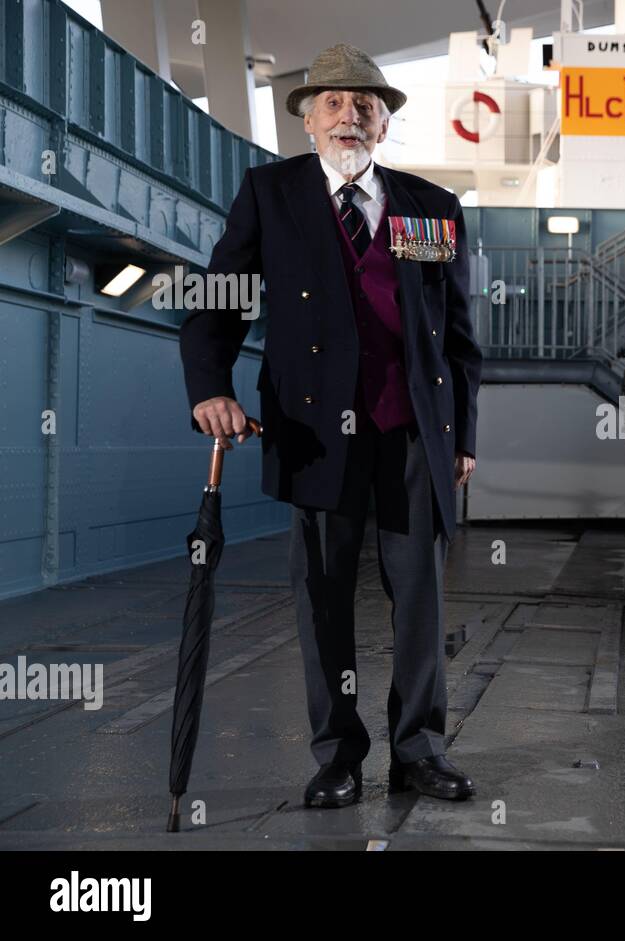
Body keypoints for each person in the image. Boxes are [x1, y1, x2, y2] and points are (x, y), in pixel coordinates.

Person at [179, 43, 482, 808]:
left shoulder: (427, 209)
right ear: (308, 120)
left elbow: (454, 337)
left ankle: (417, 750)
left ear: (384, 124)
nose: (351, 115)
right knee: (323, 597)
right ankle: (338, 757)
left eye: (366, 104)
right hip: (316, 430)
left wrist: (465, 436)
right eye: (334, 103)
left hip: (412, 432)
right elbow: (220, 302)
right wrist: (210, 389)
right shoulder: (271, 196)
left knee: (419, 601)